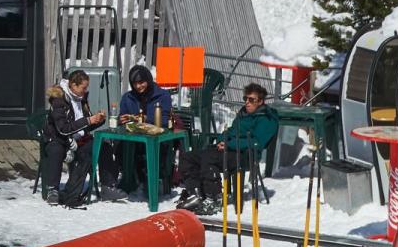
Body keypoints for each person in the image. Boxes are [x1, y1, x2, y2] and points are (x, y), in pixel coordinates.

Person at [175, 83, 280, 215]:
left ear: (260, 101)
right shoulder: (243, 114)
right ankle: (195, 192)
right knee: (189, 157)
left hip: (246, 155)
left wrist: (230, 145)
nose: (247, 102)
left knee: (209, 159)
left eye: (251, 100)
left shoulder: (267, 119)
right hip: (230, 150)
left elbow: (256, 142)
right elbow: (231, 130)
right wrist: (221, 140)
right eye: (245, 99)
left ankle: (213, 198)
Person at [42, 69, 107, 207]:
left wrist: (98, 120)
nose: (85, 91)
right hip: (57, 138)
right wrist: (88, 120)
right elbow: (63, 129)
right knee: (56, 150)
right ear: (73, 85)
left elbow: (82, 127)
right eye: (83, 88)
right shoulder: (59, 100)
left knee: (102, 145)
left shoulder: (81, 99)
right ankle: (52, 189)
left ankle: (108, 185)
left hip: (77, 139)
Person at [107, 64, 173, 194]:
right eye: (135, 83)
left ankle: (151, 179)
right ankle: (128, 179)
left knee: (154, 149)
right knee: (120, 144)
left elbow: (165, 119)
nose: (139, 86)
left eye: (141, 82)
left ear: (148, 80)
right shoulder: (128, 97)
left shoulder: (163, 95)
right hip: (134, 137)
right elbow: (123, 116)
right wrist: (122, 119)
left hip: (156, 137)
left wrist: (145, 119)